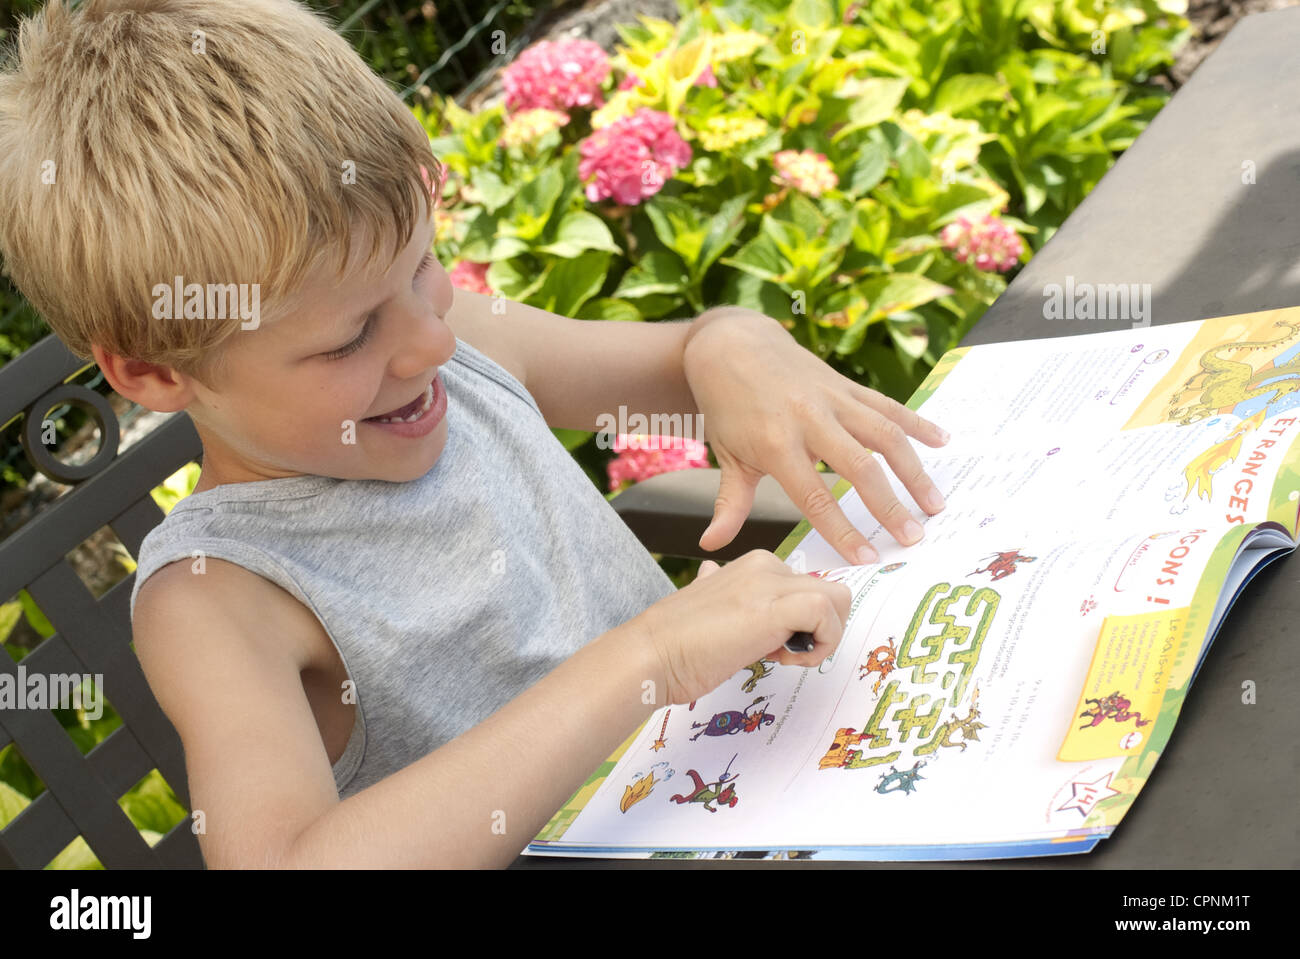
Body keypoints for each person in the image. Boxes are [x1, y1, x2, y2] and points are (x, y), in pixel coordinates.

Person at [0, 0, 949, 867]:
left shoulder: (464, 351)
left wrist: (736, 345)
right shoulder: (216, 600)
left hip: (767, 797)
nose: (432, 340)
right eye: (351, 335)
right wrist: (648, 661)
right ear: (153, 374)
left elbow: (684, 364)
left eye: (422, 265)